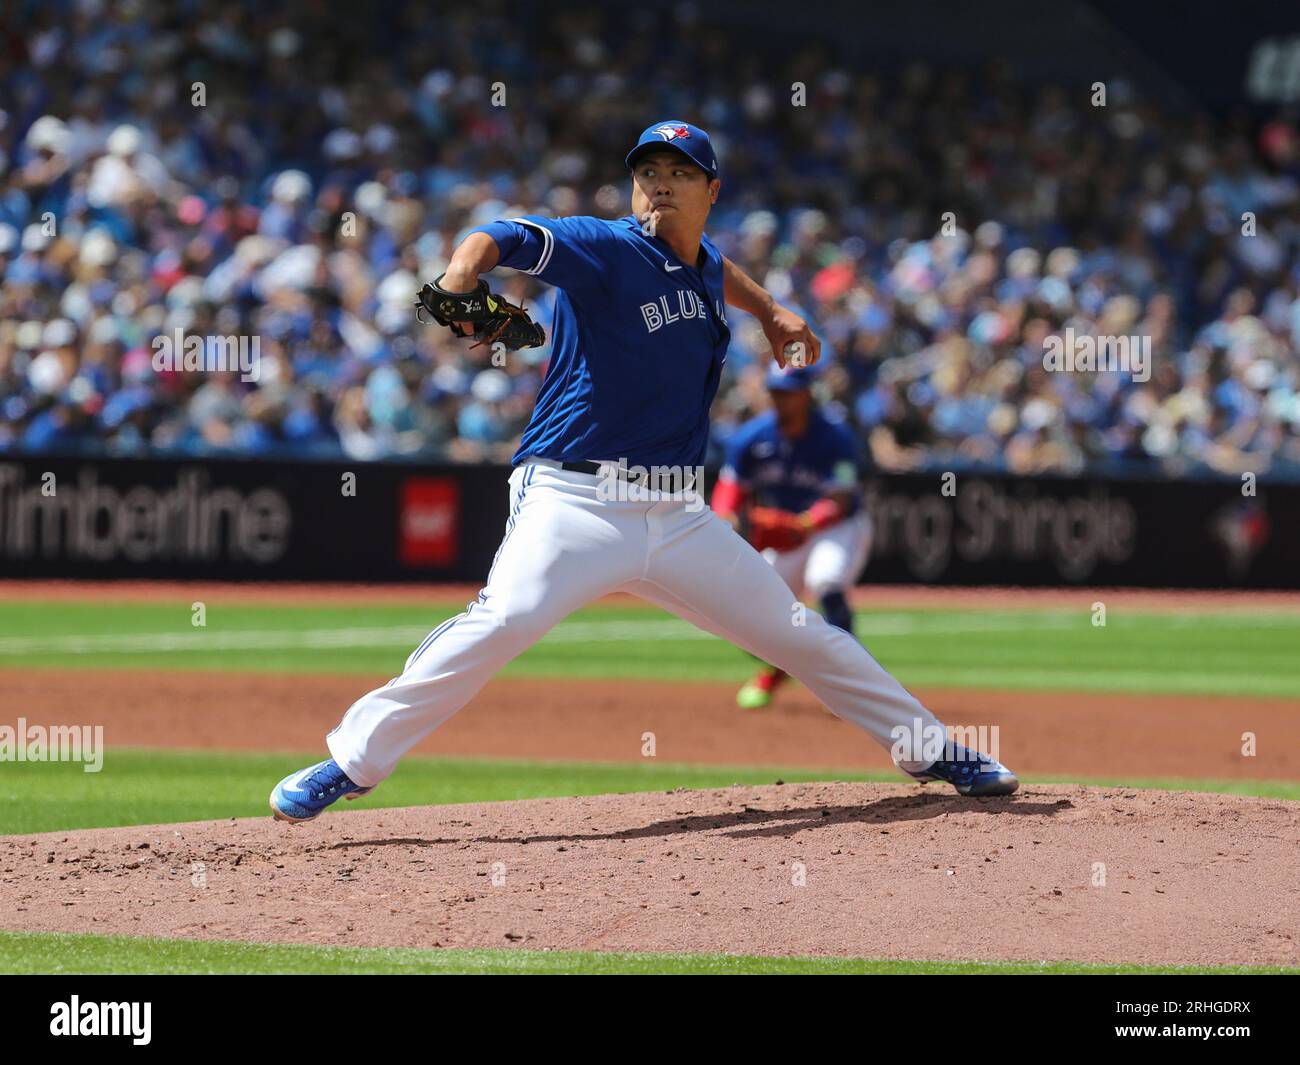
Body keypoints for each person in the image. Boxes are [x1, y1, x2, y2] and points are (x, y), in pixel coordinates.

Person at [269, 120, 1018, 822]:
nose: (660, 184)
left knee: (801, 632)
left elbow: (718, 271)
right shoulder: (606, 248)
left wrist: (771, 312)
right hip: (574, 498)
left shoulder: (702, 264)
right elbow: (502, 234)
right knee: (502, 621)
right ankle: (349, 761)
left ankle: (931, 749)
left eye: (680, 173)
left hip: (679, 516)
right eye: (648, 172)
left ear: (711, 191)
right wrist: (464, 270)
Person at [711, 364, 873, 709]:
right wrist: (724, 520)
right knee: (753, 601)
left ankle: (852, 683)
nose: (780, 400)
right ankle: (779, 668)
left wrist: (805, 523)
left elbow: (841, 499)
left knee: (825, 580)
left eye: (788, 393)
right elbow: (730, 488)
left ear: (807, 394)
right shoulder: (752, 437)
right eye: (775, 392)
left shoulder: (835, 436)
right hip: (790, 531)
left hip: (836, 527)